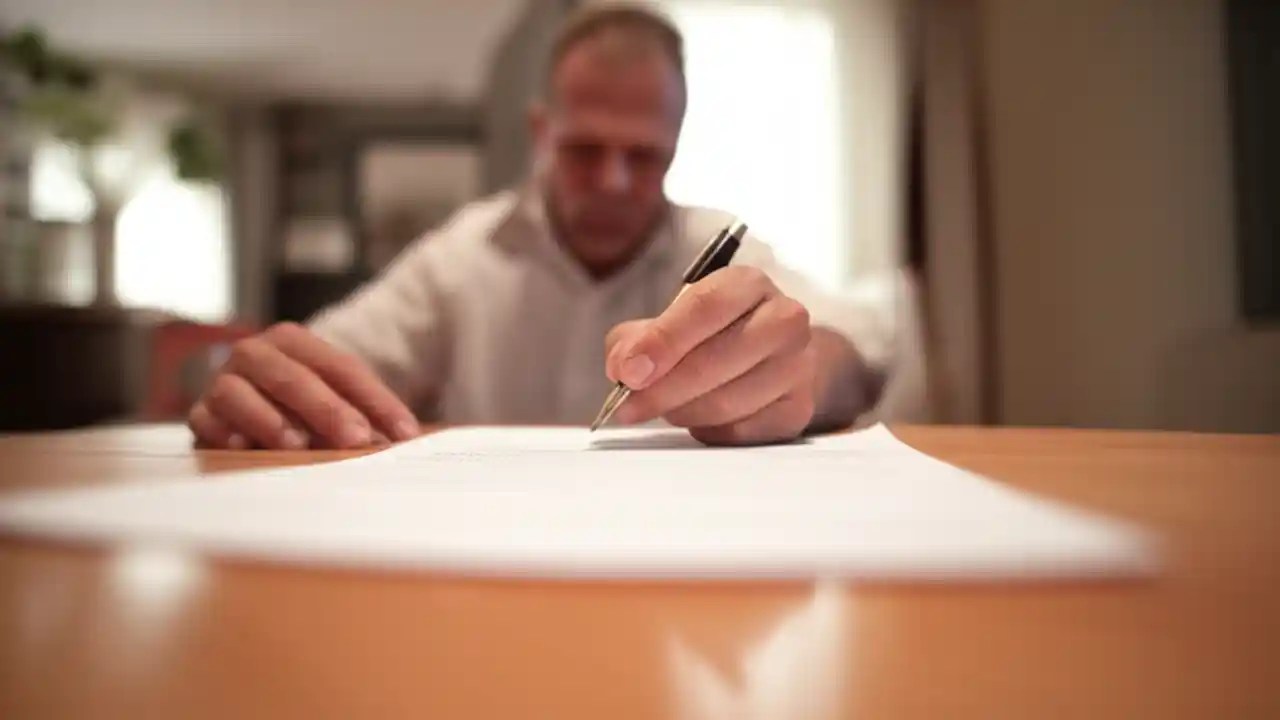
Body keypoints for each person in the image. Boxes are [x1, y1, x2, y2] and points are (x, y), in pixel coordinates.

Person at [187, 3, 887, 450]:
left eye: (643, 156)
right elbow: (332, 365)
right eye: (585, 150)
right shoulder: (463, 255)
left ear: (677, 140)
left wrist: (805, 370)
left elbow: (858, 347)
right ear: (539, 132)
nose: (613, 181)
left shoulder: (714, 247)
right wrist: (269, 384)